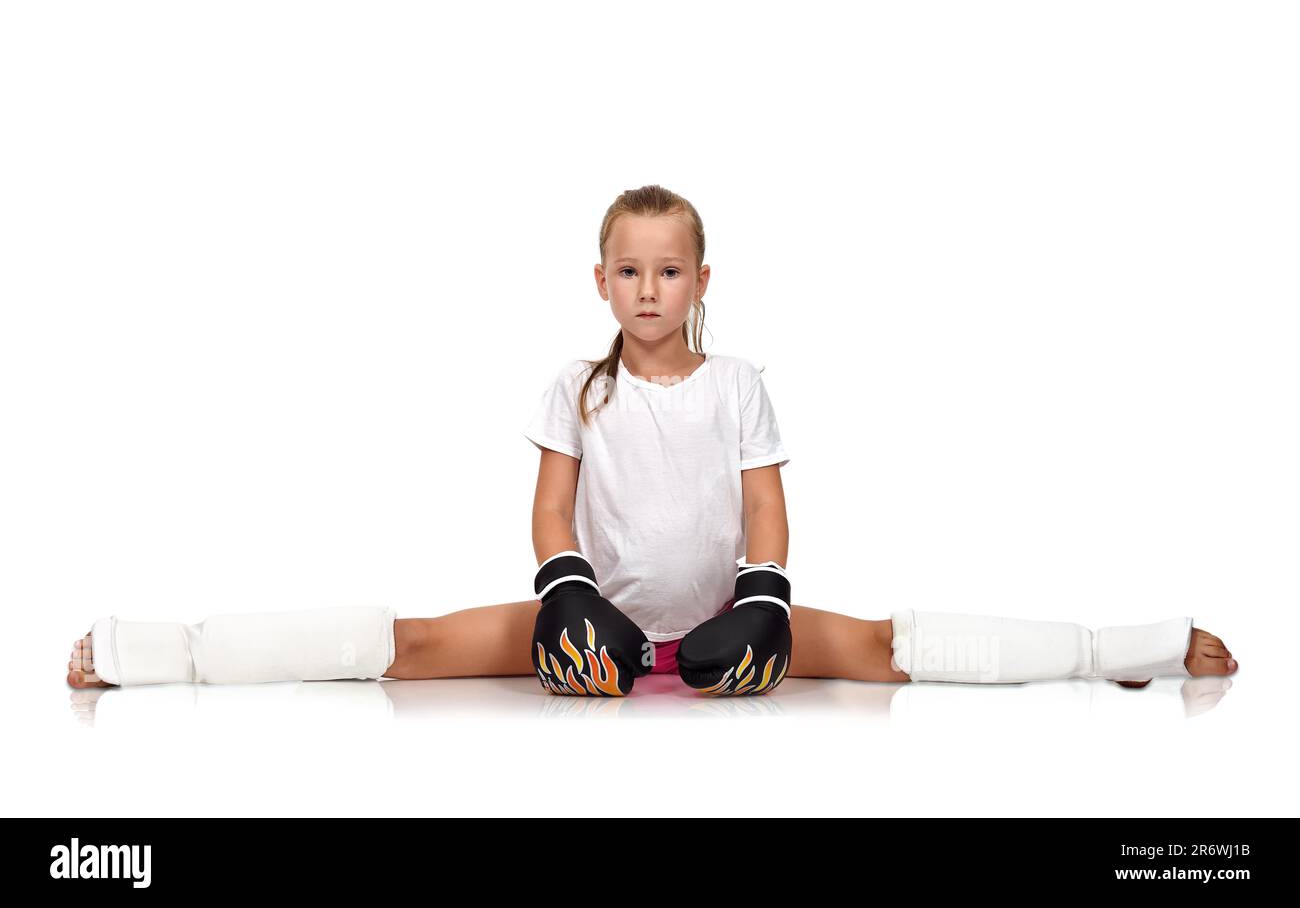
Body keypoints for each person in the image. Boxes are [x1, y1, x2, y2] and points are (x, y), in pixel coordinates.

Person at [66, 185, 1237, 696]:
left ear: (700, 278)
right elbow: (547, 509)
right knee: (414, 644)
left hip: (731, 630)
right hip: (591, 632)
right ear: (599, 277)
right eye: (627, 269)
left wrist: (769, 597)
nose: (646, 287)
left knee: (887, 645)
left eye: (667, 269)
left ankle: (1124, 647)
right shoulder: (573, 386)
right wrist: (566, 591)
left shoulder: (737, 382)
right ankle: (151, 646)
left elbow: (765, 505)